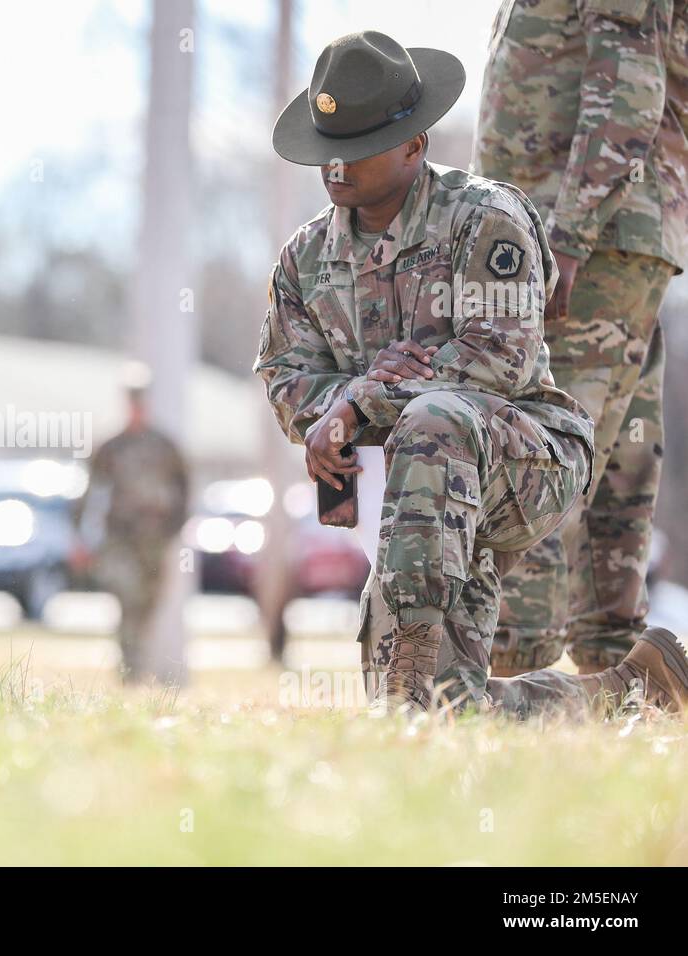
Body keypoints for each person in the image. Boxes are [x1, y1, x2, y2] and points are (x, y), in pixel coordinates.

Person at [257, 30, 688, 715]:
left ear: (413, 145)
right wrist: (336, 408)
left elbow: (497, 358)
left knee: (437, 418)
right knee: (447, 714)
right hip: (409, 495)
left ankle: (409, 681)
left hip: (525, 461)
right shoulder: (304, 257)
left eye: (357, 148)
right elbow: (285, 376)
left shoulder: (485, 218)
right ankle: (628, 696)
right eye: (327, 149)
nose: (336, 167)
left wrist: (361, 398)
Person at [474, 0, 688, 677]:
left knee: (542, 447)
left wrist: (567, 236)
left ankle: (519, 677)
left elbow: (629, 81)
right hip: (610, 236)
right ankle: (619, 675)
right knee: (615, 458)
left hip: (587, 239)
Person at [72, 381, 189, 683]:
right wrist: (81, 538)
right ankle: (130, 671)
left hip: (154, 539)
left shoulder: (164, 446)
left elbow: (183, 489)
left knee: (148, 602)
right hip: (120, 539)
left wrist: (174, 528)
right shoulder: (112, 447)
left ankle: (139, 665)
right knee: (126, 596)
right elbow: (90, 492)